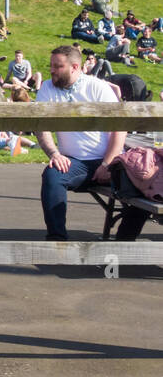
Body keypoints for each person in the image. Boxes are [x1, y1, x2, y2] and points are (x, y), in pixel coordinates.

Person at [36, 46, 146, 241]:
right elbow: (40, 126)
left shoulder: (97, 87)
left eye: (57, 66)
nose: (52, 70)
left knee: (143, 187)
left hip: (109, 160)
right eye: (51, 65)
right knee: (52, 175)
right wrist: (54, 154)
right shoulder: (47, 88)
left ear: (75, 67)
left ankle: (123, 244)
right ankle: (57, 239)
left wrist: (107, 164)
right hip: (74, 162)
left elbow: (119, 129)